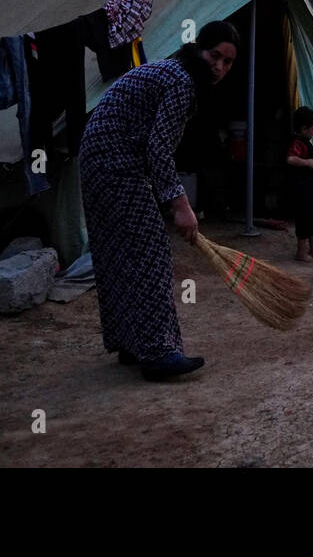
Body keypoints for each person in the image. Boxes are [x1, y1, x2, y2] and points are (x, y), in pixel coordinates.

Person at [79, 20, 238, 381]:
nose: (219, 67)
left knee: (117, 253)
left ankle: (129, 342)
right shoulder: (182, 81)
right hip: (114, 161)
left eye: (228, 62)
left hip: (96, 158)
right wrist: (180, 205)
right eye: (215, 56)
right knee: (150, 252)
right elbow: (158, 148)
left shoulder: (174, 71)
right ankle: (158, 351)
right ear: (199, 49)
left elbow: (153, 146)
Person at [286, 106, 313, 262]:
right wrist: (306, 163)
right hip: (302, 191)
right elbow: (290, 159)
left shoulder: (306, 143)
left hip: (312, 190)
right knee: (304, 220)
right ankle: (301, 252)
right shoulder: (296, 143)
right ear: (303, 128)